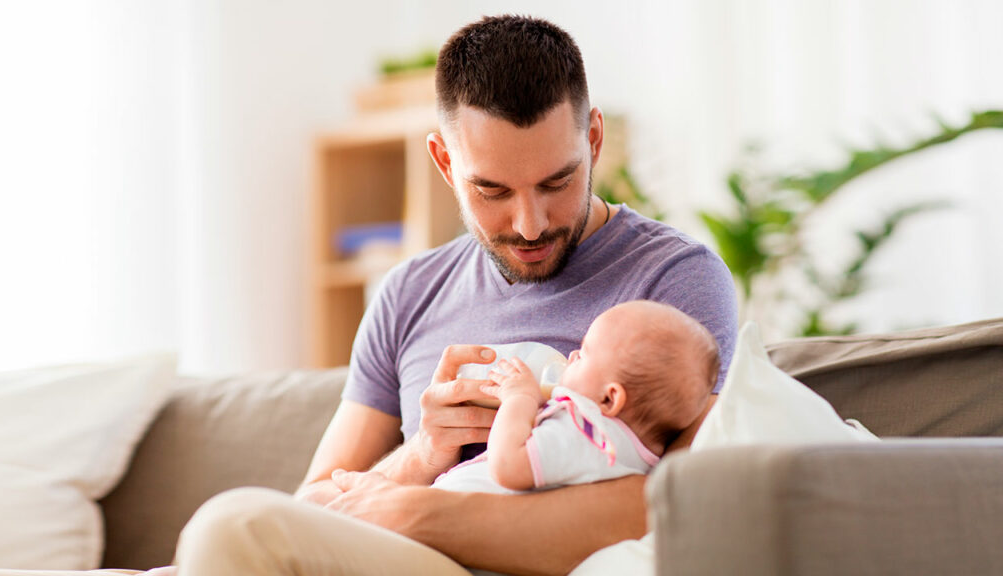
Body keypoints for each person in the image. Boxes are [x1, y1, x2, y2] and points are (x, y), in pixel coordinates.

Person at [172, 13, 738, 576]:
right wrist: (424, 454)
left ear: (592, 139)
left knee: (234, 526)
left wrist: (425, 513)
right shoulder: (407, 294)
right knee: (236, 531)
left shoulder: (673, 280)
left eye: (556, 182)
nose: (531, 223)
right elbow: (311, 508)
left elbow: (683, 505)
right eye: (491, 189)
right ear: (445, 162)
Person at [432, 300, 719, 495]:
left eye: (584, 354)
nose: (571, 356)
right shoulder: (621, 453)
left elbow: (508, 466)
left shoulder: (587, 431)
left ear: (609, 399)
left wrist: (519, 399)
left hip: (453, 530)